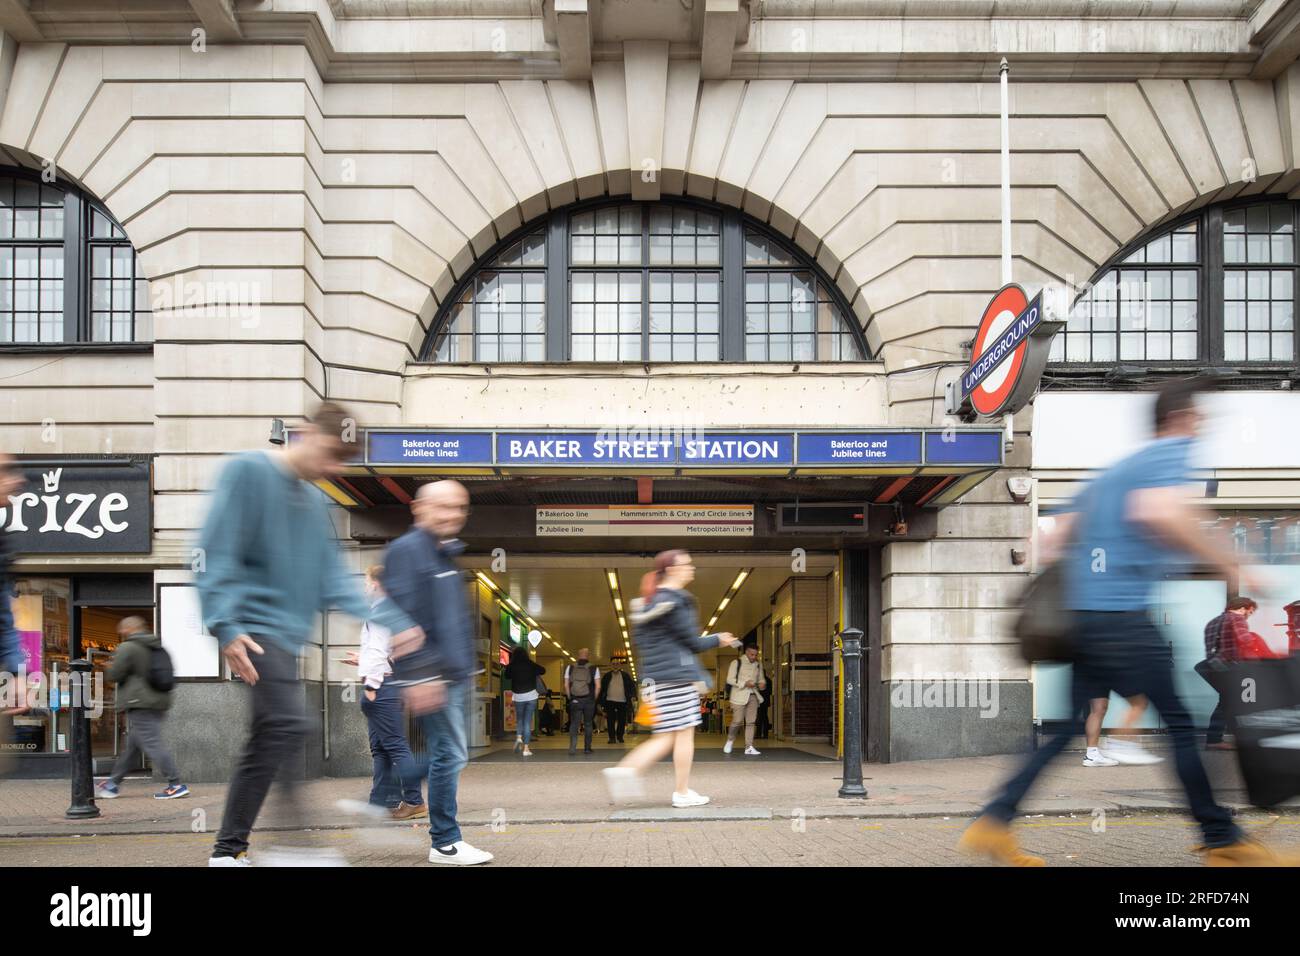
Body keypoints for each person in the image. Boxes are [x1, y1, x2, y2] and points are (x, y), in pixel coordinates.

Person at [959, 377, 1288, 867]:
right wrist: (1232, 564)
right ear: (1182, 418)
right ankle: (1221, 839)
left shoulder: (1109, 475)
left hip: (1084, 622)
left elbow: (1054, 539)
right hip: (1123, 618)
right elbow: (1159, 512)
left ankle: (994, 820)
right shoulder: (1167, 456)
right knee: (1179, 724)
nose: (1201, 428)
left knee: (1069, 727)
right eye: (1200, 419)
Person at [196, 401, 419, 867]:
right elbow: (211, 552)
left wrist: (398, 623)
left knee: (266, 741)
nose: (331, 468)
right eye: (330, 453)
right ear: (305, 433)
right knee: (291, 725)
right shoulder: (247, 472)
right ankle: (293, 847)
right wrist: (224, 624)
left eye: (341, 460)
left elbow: (334, 580)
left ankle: (227, 850)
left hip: (285, 638)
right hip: (255, 630)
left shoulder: (313, 501)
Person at [382, 479, 493, 866]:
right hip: (435, 676)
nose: (453, 515)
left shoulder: (442, 554)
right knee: (451, 754)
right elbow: (403, 615)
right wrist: (421, 673)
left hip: (454, 675)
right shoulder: (408, 551)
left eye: (459, 508)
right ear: (418, 508)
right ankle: (445, 841)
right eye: (443, 507)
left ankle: (394, 791)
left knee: (452, 754)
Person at [602, 550, 739, 808]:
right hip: (677, 677)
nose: (692, 568)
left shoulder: (649, 601)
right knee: (681, 734)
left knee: (667, 735)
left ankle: (632, 772)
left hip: (657, 678)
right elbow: (691, 643)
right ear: (672, 570)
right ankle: (677, 790)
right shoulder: (678, 600)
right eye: (687, 564)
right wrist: (718, 638)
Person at [357, 565, 425, 819]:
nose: (364, 587)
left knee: (394, 745)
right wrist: (362, 659)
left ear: (375, 584)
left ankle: (414, 800)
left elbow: (378, 651)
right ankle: (380, 801)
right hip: (386, 681)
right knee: (380, 746)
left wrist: (371, 687)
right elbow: (387, 650)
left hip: (382, 685)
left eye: (366, 581)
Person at [94, 617, 189, 800]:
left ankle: (175, 784)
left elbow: (115, 674)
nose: (121, 633)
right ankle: (113, 784)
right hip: (157, 700)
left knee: (152, 743)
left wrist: (108, 666)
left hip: (140, 702)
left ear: (130, 629)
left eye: (122, 629)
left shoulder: (128, 647)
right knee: (133, 747)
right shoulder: (156, 646)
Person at [1199, 596, 1258, 750]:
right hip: (1230, 666)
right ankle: (1242, 738)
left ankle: (1214, 740)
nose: (1248, 616)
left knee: (1226, 701)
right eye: (1249, 612)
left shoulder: (1212, 622)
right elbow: (1245, 640)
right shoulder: (1237, 619)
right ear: (1243, 608)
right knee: (1243, 699)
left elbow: (1210, 649)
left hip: (1214, 667)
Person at [723, 644, 767, 755]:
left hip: (753, 695)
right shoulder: (736, 663)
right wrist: (745, 683)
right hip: (738, 695)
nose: (754, 657)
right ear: (746, 652)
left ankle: (749, 747)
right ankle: (730, 740)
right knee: (737, 721)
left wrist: (762, 684)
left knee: (751, 722)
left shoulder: (758, 664)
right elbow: (729, 679)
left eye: (756, 655)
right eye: (752, 654)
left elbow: (761, 678)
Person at [505, 644, 545, 756]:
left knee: (520, 719)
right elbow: (543, 670)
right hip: (531, 696)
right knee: (527, 721)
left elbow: (507, 676)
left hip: (518, 696)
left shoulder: (512, 665)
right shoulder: (530, 664)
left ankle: (518, 737)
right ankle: (526, 749)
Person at [565, 648, 600, 755]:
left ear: (578, 655)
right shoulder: (594, 668)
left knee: (574, 723)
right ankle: (587, 748)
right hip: (589, 700)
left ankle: (572, 748)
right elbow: (598, 686)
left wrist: (570, 697)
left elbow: (566, 685)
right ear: (588, 656)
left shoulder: (570, 667)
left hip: (575, 699)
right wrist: (593, 699)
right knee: (588, 724)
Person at [598, 655, 636, 743]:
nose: (615, 665)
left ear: (620, 665)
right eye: (613, 664)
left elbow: (632, 686)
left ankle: (620, 736)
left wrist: (633, 696)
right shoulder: (607, 676)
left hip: (622, 701)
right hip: (609, 701)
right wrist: (599, 703)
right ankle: (611, 738)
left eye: (617, 664)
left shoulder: (625, 675)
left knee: (622, 721)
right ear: (611, 665)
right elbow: (602, 689)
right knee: (610, 721)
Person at [756, 665, 772, 739]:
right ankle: (765, 734)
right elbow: (770, 692)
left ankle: (758, 734)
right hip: (766, 701)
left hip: (760, 701)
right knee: (765, 717)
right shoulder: (769, 680)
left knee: (759, 717)